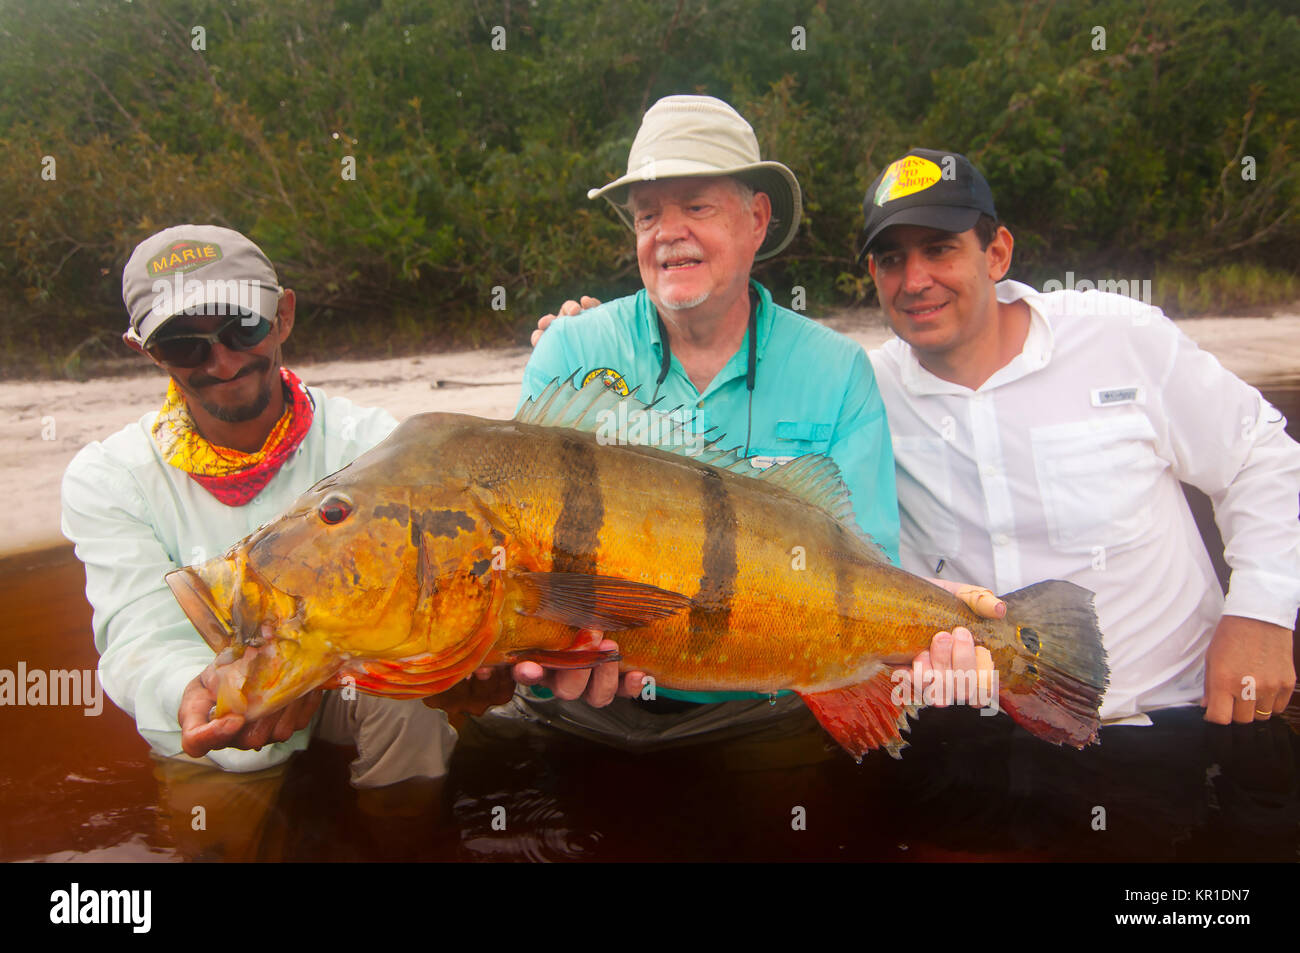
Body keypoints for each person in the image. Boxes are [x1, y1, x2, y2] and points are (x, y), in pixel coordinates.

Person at [508, 97, 1000, 748]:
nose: (668, 231)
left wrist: (951, 627)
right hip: (590, 708)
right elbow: (526, 547)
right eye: (648, 214)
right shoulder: (569, 353)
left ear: (757, 219)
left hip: (772, 708)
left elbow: (866, 567)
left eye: (697, 206)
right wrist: (545, 668)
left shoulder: (836, 371)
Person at [855, 148, 1300, 726]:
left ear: (996, 253)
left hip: (1168, 723)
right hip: (970, 736)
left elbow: (1258, 457)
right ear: (873, 275)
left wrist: (1262, 614)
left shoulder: (1121, 338)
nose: (915, 281)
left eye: (940, 249)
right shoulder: (865, 393)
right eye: (892, 259)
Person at [61, 225, 456, 854]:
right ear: (147, 352)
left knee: (413, 700)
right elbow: (135, 637)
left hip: (348, 685)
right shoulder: (109, 478)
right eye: (185, 346)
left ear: (283, 315)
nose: (223, 362)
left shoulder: (377, 448)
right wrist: (196, 693)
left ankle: (403, 833)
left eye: (242, 328)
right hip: (222, 711)